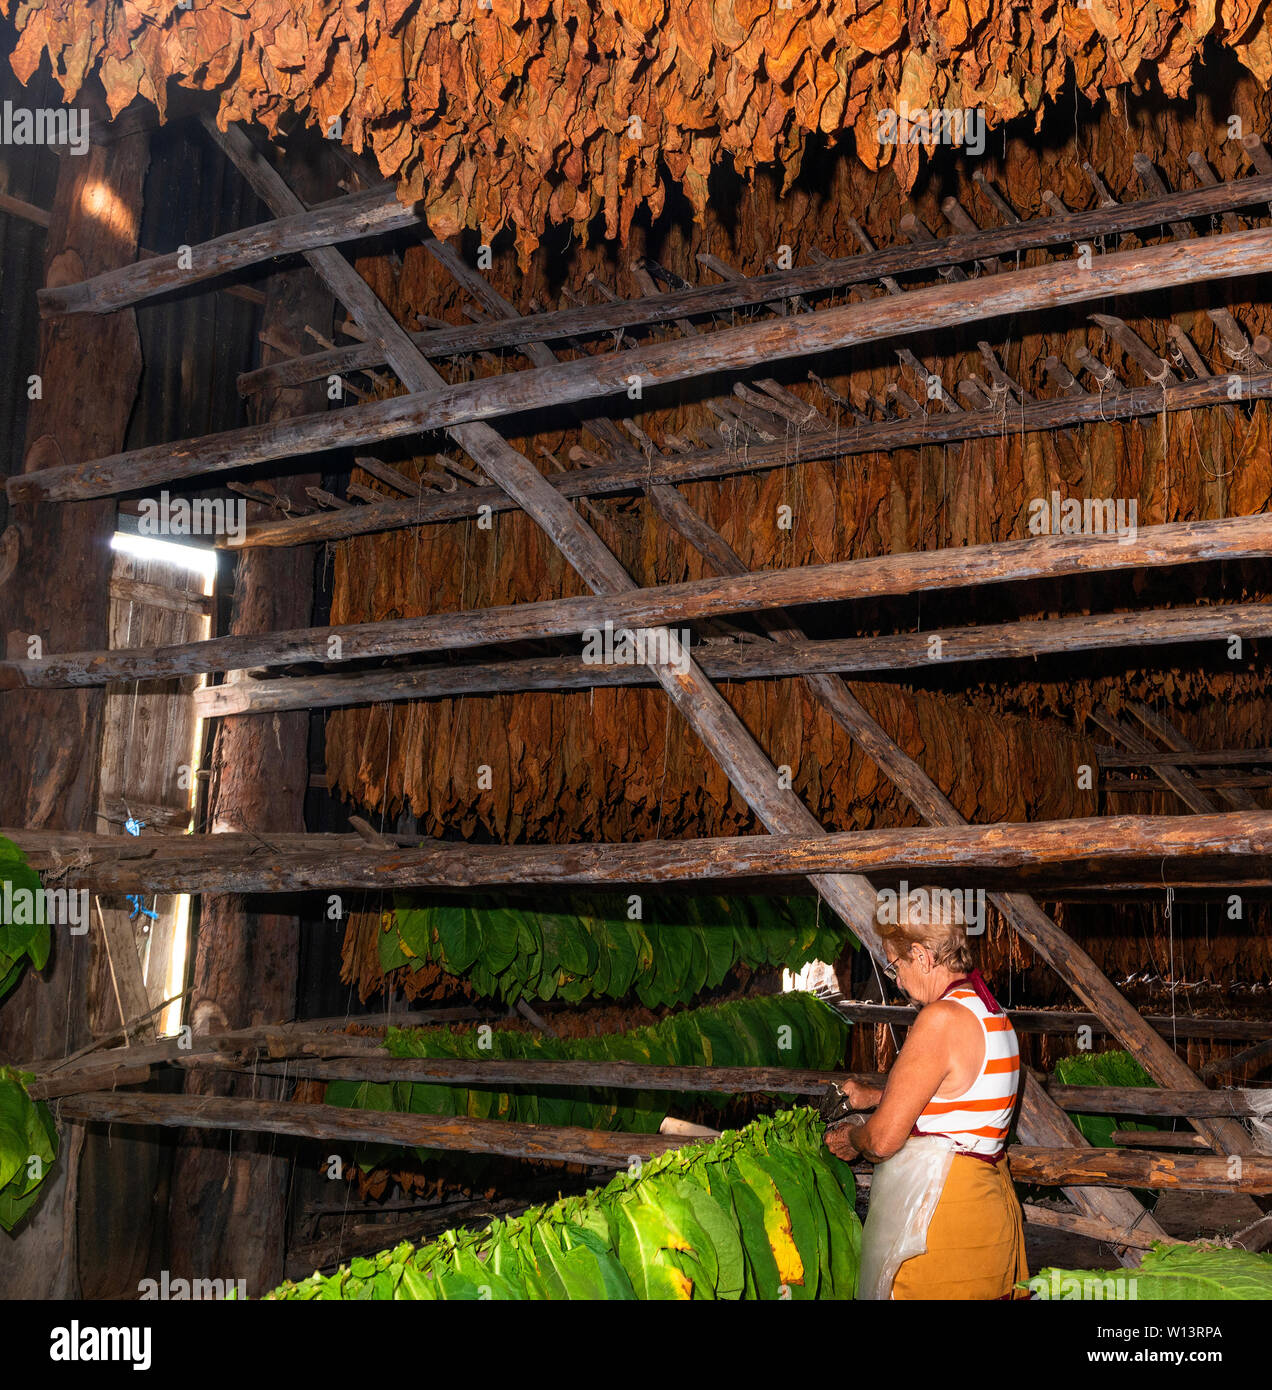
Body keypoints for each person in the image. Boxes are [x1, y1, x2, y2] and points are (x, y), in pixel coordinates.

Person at [824, 906, 1028, 1299]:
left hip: (941, 1221)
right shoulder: (991, 1011)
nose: (896, 978)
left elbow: (883, 1141)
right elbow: (958, 1093)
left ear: (922, 955)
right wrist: (875, 1096)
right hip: (988, 1214)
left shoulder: (940, 1019)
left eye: (895, 964)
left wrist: (853, 1138)